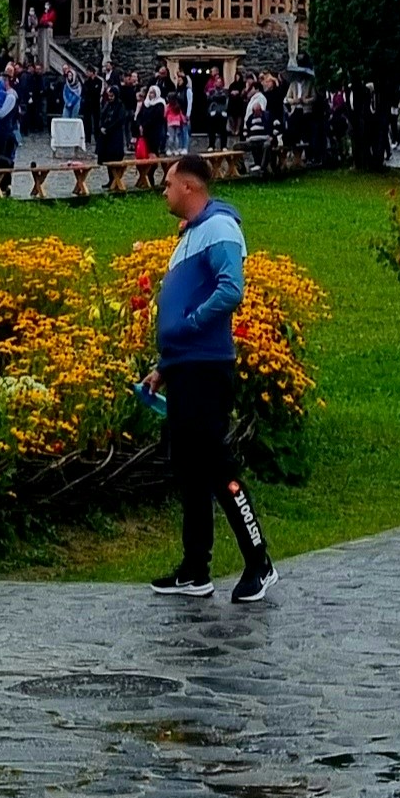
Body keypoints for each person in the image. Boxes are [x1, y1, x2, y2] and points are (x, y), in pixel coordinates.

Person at [147, 154, 276, 604]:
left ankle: (258, 561)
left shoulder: (220, 228)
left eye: (167, 184)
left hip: (208, 367)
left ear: (189, 186)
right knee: (190, 469)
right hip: (186, 368)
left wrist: (191, 325)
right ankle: (195, 569)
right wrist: (166, 365)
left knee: (218, 465)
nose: (162, 191)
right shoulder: (188, 237)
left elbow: (230, 289)